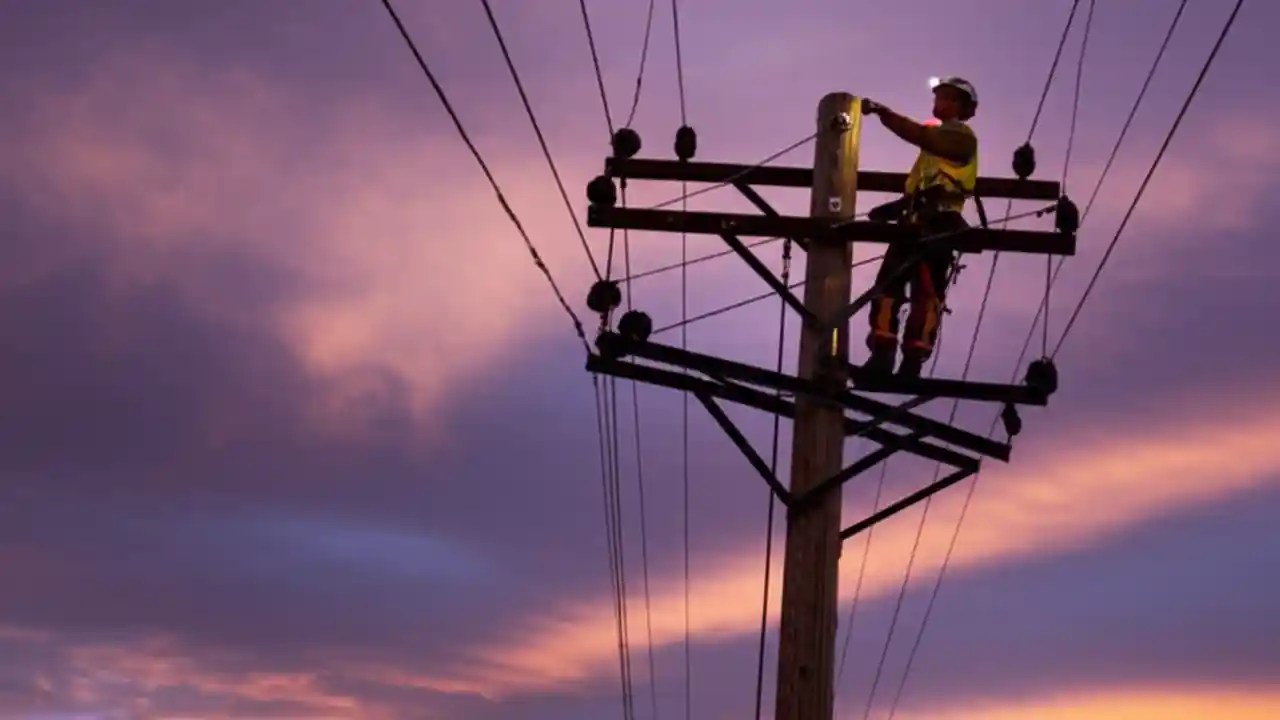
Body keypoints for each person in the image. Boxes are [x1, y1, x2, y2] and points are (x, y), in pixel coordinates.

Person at [859, 77, 980, 378]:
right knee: (888, 287)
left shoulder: (961, 138)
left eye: (950, 99)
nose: (942, 103)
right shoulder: (931, 151)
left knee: (926, 294)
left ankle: (912, 360)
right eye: (940, 97)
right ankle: (883, 354)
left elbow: (921, 136)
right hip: (914, 222)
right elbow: (920, 189)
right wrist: (894, 208)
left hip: (940, 223)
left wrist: (885, 114)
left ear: (962, 108)